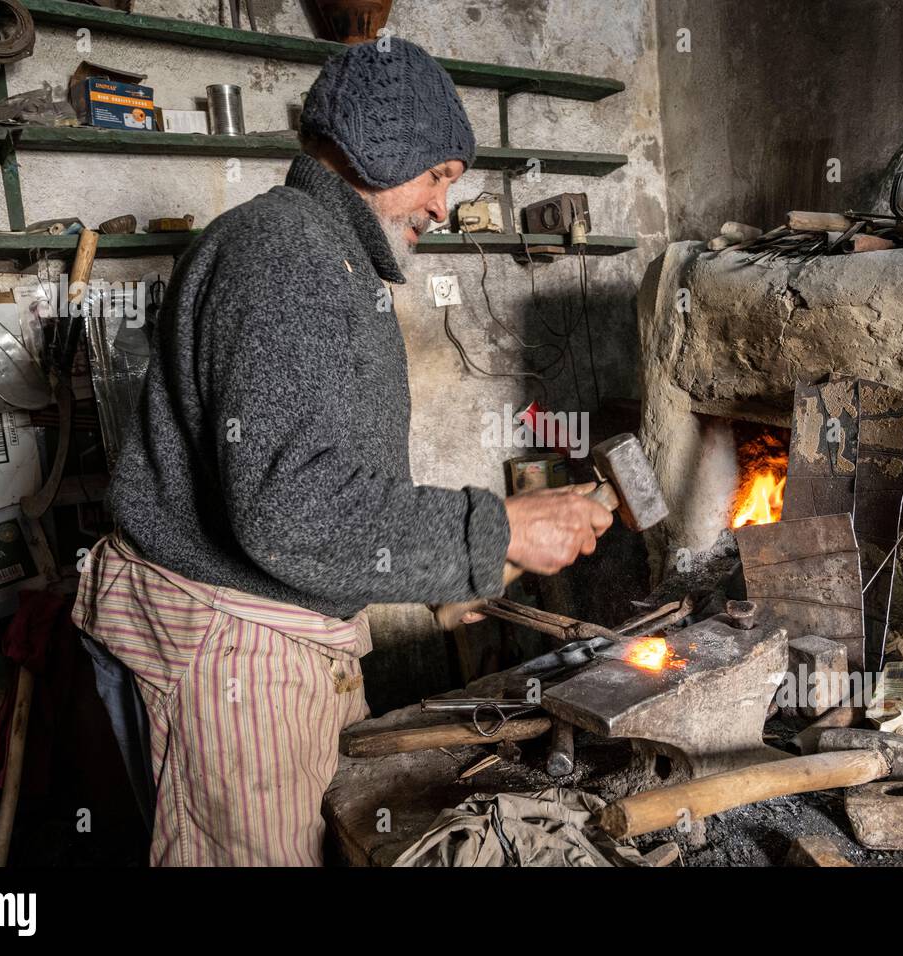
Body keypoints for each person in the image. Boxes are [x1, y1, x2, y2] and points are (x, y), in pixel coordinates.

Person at [72, 38, 611, 866]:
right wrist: (491, 532)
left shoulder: (327, 253)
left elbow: (317, 489)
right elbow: (291, 510)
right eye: (437, 176)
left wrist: (441, 575)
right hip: (227, 648)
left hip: (269, 628)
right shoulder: (286, 254)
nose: (441, 207)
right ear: (377, 148)